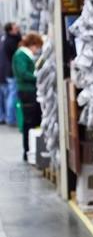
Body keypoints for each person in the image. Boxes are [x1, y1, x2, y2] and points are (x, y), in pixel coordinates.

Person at [13, 31, 43, 161]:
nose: (37, 50)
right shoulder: (21, 55)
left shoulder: (23, 55)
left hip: (29, 91)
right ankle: (28, 150)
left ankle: (30, 149)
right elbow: (23, 73)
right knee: (29, 121)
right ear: (33, 44)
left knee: (31, 120)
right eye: (37, 47)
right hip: (27, 92)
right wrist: (37, 77)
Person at [0, 22, 21, 126]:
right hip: (11, 71)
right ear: (11, 29)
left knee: (6, 95)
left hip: (5, 71)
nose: (17, 27)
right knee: (12, 95)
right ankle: (11, 118)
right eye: (15, 26)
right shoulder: (11, 41)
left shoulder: (5, 40)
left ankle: (5, 117)